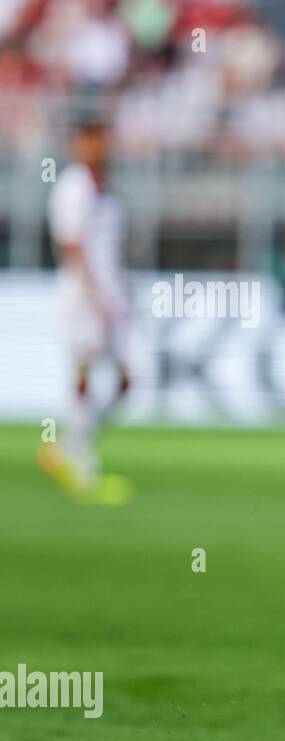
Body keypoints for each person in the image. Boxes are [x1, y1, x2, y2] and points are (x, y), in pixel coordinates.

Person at [40, 119, 133, 505]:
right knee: (86, 370)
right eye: (91, 142)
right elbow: (71, 244)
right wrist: (94, 294)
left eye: (103, 141)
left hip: (110, 297)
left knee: (127, 380)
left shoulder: (106, 192)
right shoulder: (74, 188)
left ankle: (68, 447)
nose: (99, 148)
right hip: (83, 297)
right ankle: (81, 465)